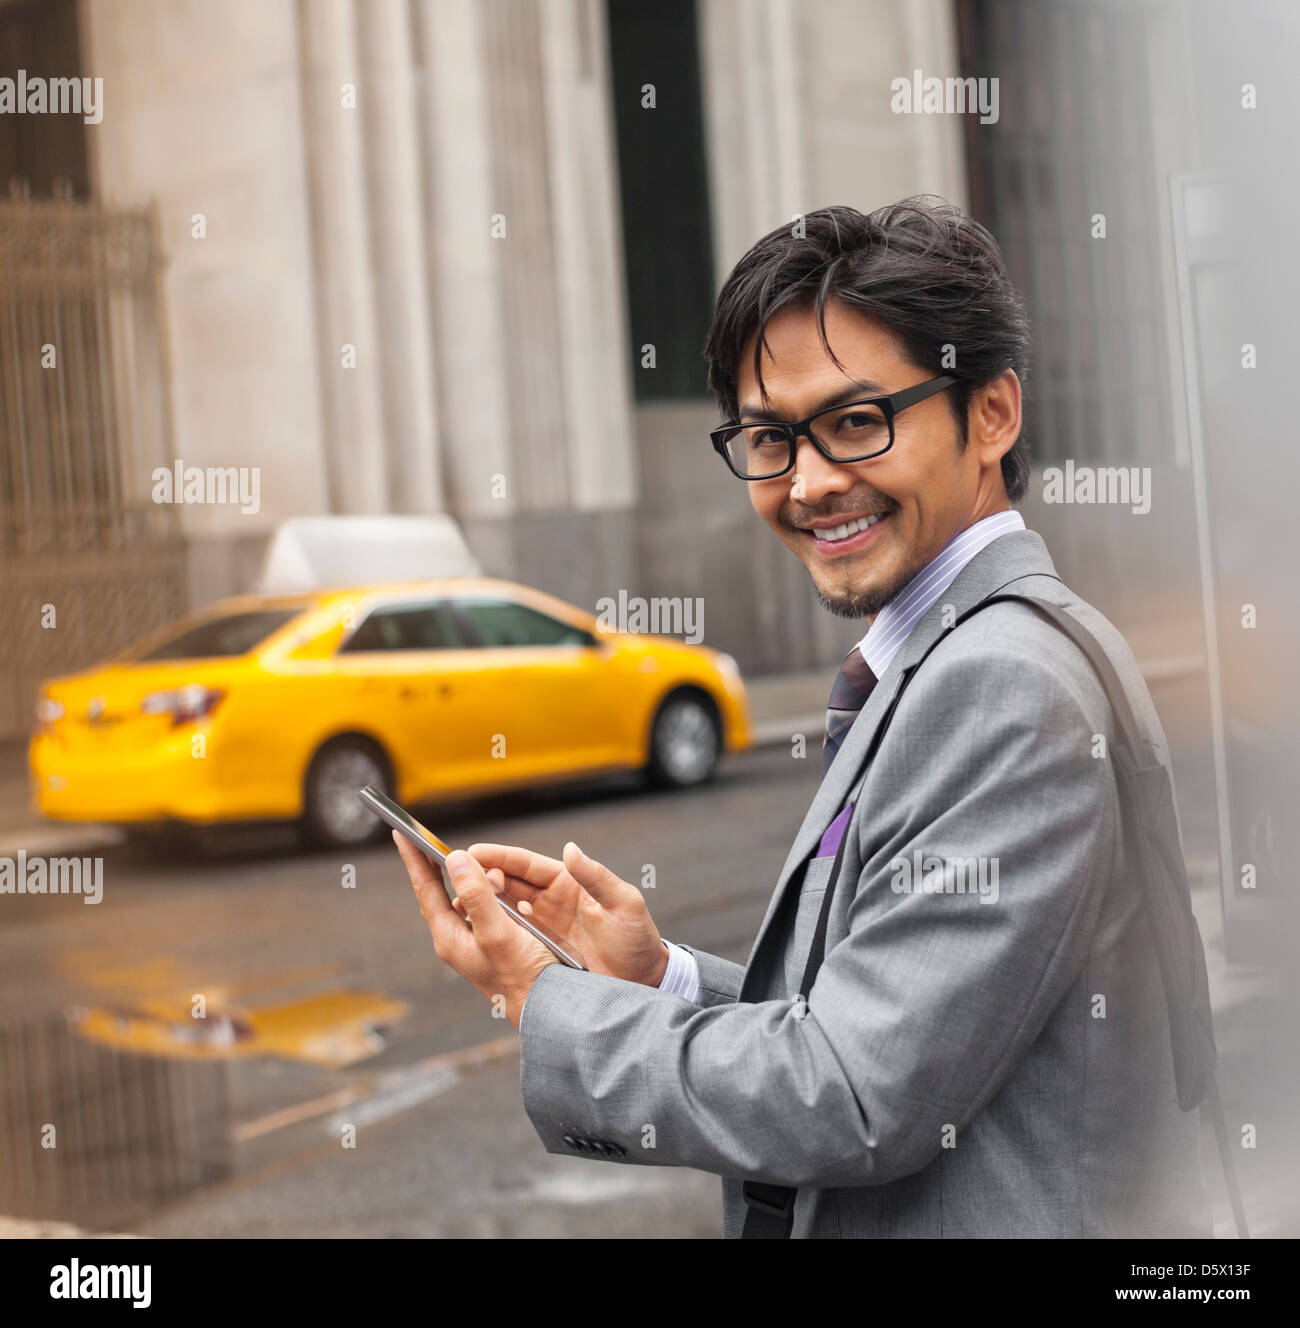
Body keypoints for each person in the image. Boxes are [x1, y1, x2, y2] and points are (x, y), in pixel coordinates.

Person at [393, 197, 1211, 1238]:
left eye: (858, 422)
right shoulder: (992, 647)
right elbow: (881, 1019)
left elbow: (854, 1092)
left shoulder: (999, 683)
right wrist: (657, 980)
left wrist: (547, 1000)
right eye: (771, 438)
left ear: (992, 413)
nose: (811, 483)